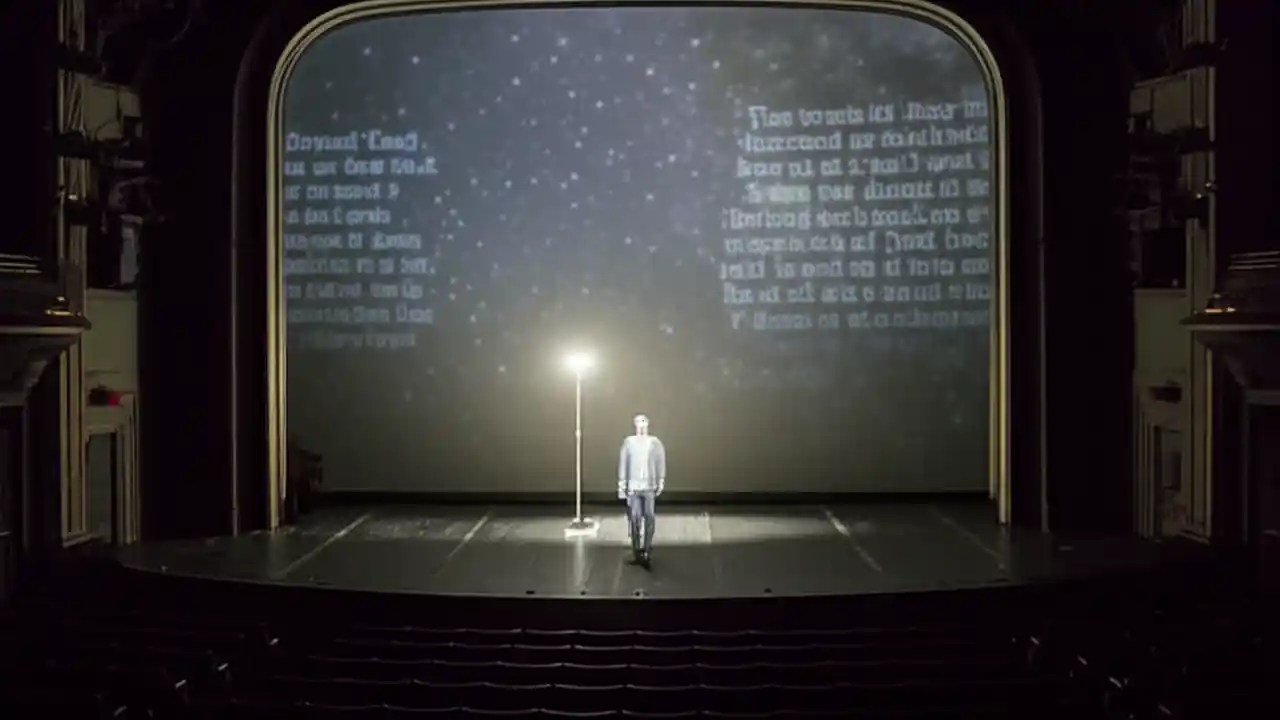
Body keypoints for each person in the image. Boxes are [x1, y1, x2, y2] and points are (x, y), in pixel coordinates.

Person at [618, 413, 665, 568]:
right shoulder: (629, 442)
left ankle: (646, 548)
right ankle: (637, 550)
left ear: (648, 424)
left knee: (650, 517)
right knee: (635, 519)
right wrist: (622, 484)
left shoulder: (654, 443)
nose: (642, 425)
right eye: (639, 422)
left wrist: (660, 480)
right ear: (635, 424)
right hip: (634, 486)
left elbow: (660, 462)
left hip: (649, 486)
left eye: (644, 422)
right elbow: (623, 463)